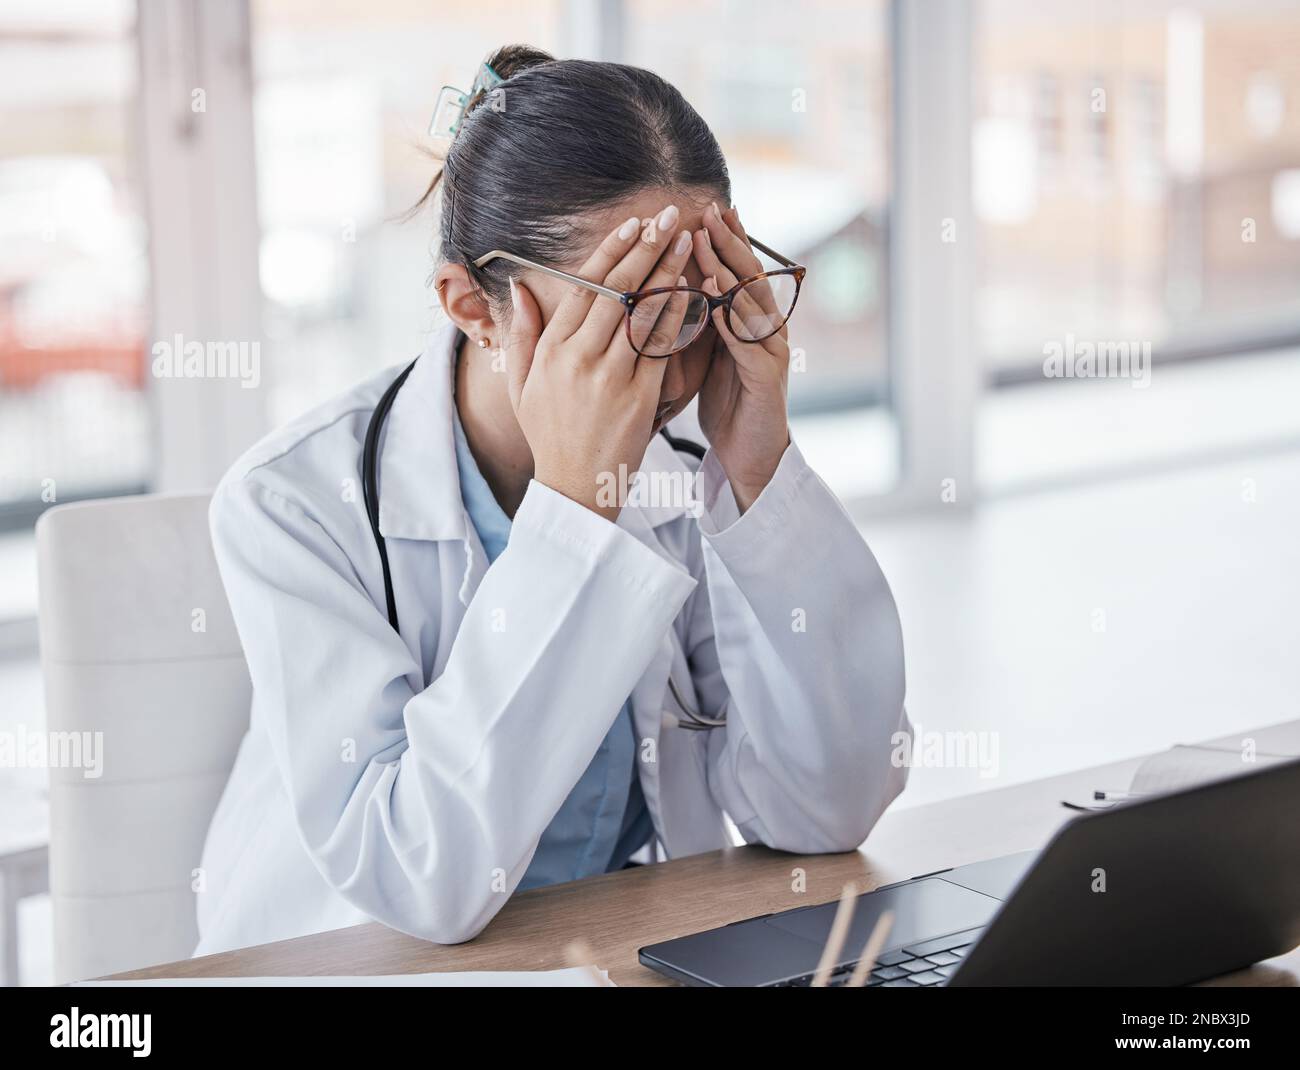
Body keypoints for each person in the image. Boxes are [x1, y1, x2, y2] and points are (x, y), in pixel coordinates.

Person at [194, 45, 910, 955]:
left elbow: (826, 809)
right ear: (472, 304)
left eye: (697, 307)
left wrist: (758, 478)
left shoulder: (692, 467)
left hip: (600, 950)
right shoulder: (291, 506)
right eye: (625, 311)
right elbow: (424, 879)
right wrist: (574, 515)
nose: (676, 364)